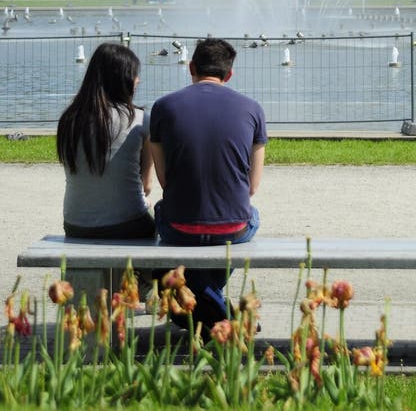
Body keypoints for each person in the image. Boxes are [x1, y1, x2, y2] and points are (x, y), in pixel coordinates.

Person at [150, 37, 267, 332]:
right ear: (229, 74)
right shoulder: (253, 109)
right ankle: (217, 310)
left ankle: (203, 305)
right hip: (234, 228)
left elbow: (164, 181)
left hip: (177, 226)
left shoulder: (163, 107)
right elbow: (252, 187)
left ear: (191, 67)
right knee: (253, 215)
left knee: (164, 211)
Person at [56, 42, 155, 239]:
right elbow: (146, 186)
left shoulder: (69, 119)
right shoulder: (140, 119)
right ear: (124, 78)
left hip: (76, 225)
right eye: (135, 74)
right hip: (129, 224)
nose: (138, 80)